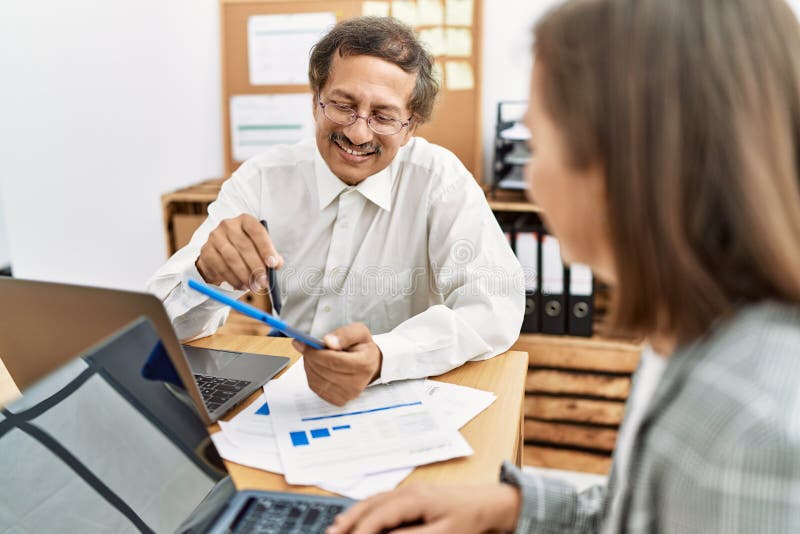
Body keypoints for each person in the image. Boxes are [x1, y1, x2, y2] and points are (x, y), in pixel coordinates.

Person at [327, 0, 800, 532]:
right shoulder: (694, 338)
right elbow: (640, 514)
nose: (530, 178)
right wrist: (514, 507)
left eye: (538, 140)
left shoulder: (750, 430)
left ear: (617, 160)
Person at [147, 17, 524, 406]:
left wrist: (384, 356)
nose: (359, 134)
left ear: (410, 127)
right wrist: (205, 273)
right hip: (293, 381)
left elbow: (496, 307)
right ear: (315, 101)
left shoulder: (439, 180)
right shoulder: (262, 179)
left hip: (405, 381)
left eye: (383, 116)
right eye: (343, 106)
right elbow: (158, 325)